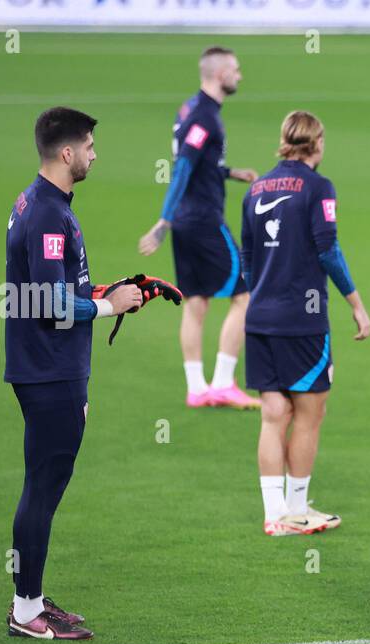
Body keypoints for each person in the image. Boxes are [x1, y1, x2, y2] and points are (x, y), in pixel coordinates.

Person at [6, 108, 155, 639]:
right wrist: (110, 308)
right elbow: (48, 304)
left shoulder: (41, 202)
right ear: (66, 153)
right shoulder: (48, 213)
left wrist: (109, 293)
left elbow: (61, 289)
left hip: (51, 367)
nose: (94, 153)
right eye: (89, 145)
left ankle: (30, 596)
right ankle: (26, 612)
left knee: (43, 485)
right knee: (42, 489)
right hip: (49, 369)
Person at [241, 111, 370, 536]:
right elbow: (328, 250)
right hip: (303, 320)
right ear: (317, 143)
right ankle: (296, 510)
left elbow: (246, 258)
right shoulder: (318, 187)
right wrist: (356, 302)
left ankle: (273, 514)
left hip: (259, 317)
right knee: (310, 413)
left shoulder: (255, 188)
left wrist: (261, 295)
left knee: (273, 413)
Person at [138, 46, 260, 409]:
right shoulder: (204, 117)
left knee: (196, 303)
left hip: (186, 224)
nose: (239, 75)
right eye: (236, 70)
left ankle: (197, 389)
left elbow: (199, 162)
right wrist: (163, 219)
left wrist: (230, 173)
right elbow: (183, 168)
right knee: (245, 296)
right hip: (203, 221)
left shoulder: (188, 109)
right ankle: (222, 383)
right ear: (220, 74)